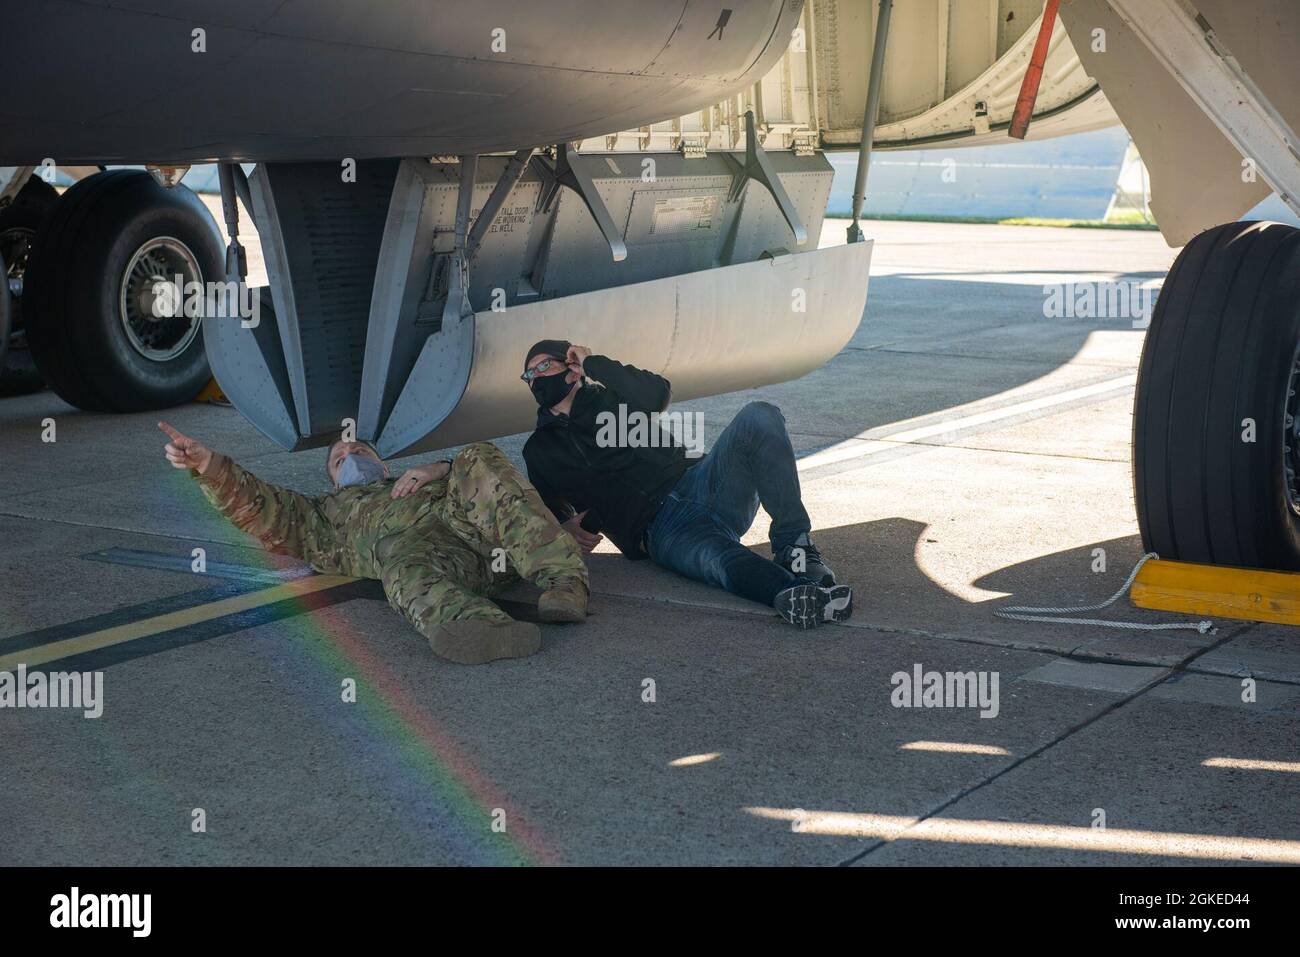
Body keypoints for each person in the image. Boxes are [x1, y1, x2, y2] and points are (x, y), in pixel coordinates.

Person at [159, 421, 588, 664]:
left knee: (476, 452)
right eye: (340, 460)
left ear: (380, 461)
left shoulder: (413, 479)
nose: (352, 459)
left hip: (485, 539)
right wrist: (210, 466)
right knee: (400, 568)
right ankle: (486, 628)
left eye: (361, 451)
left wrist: (437, 469)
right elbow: (264, 507)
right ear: (330, 478)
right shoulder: (324, 516)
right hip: (438, 564)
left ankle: (564, 582)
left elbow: (490, 486)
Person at [519, 341, 852, 630]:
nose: (535, 377)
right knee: (717, 561)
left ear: (571, 367)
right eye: (529, 374)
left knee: (759, 416)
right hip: (660, 530)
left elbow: (658, 393)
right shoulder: (539, 451)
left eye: (543, 365)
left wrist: (594, 363)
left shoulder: (611, 397)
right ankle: (795, 595)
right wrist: (565, 526)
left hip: (701, 482)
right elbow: (550, 513)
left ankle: (795, 549)